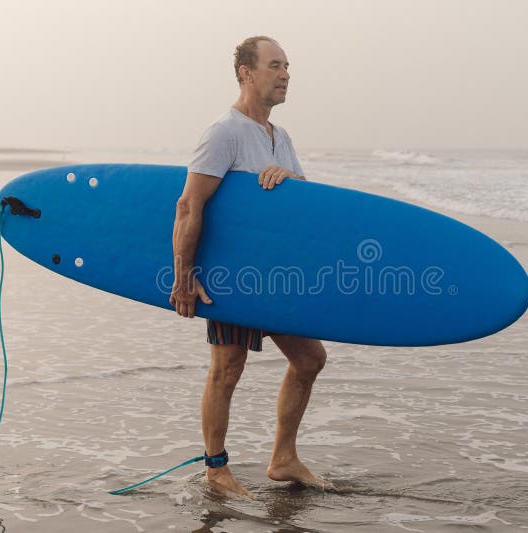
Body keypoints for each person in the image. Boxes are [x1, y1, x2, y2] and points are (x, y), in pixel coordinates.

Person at [169, 36, 329, 498]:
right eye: (275, 65)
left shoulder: (281, 138)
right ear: (246, 72)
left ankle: (283, 459)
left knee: (309, 359)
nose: (285, 75)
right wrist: (184, 276)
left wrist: (291, 177)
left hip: (273, 277)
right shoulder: (225, 132)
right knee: (227, 368)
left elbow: (303, 205)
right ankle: (216, 469)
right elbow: (188, 205)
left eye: (287, 66)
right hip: (232, 276)